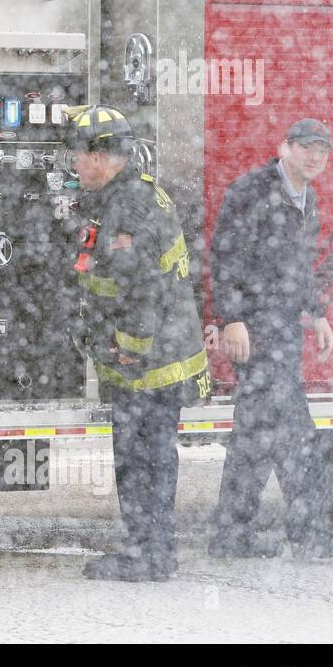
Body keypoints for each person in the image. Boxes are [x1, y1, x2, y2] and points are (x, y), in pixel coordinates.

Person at [66, 105, 210, 582]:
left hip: (147, 363)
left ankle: (144, 553)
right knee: (152, 454)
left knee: (139, 458)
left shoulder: (127, 205)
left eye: (80, 155)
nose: (75, 164)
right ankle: (153, 549)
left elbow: (139, 287)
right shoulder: (133, 194)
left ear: (105, 156)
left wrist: (128, 350)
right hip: (161, 353)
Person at [209, 118, 333, 559]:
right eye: (308, 147)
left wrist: (316, 312)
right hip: (256, 332)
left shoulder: (307, 198)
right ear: (285, 147)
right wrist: (232, 319)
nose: (316, 157)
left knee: (257, 435)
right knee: (294, 433)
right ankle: (309, 533)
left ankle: (232, 535)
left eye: (323, 151)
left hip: (283, 330)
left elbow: (298, 269)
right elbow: (225, 256)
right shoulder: (252, 191)